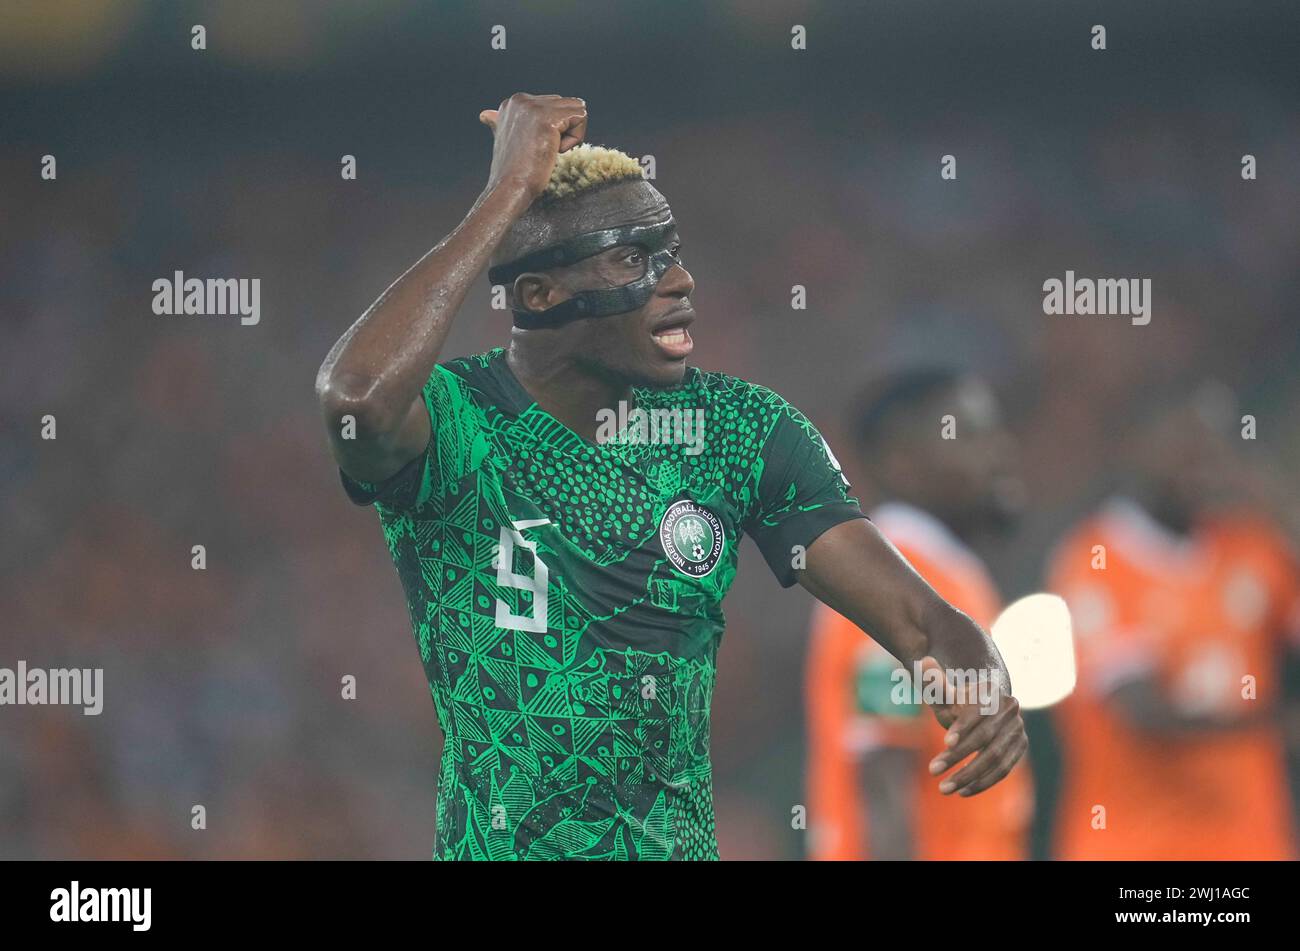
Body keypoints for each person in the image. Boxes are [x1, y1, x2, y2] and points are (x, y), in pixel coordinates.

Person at [315, 93, 1027, 860]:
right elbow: (356, 398)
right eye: (633, 256)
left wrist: (978, 670)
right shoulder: (457, 423)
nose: (679, 279)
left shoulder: (741, 429)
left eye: (672, 250)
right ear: (539, 294)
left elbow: (924, 621)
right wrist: (503, 197)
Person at [1048, 383, 1300, 859]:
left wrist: (1279, 506)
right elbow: (1141, 711)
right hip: (1137, 848)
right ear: (1134, 446)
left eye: (1214, 444)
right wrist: (1277, 725)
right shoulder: (1096, 560)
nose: (1201, 460)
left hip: (1254, 845)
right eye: (1185, 443)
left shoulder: (1251, 546)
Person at [807, 369, 1033, 859]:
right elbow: (883, 774)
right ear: (902, 463)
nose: (1001, 452)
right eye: (971, 435)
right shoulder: (888, 583)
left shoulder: (949, 573)